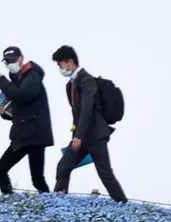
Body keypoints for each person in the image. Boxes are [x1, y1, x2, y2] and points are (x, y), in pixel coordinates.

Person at [51, 45, 127, 202]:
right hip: (82, 137)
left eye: (60, 64)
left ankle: (124, 204)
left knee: (105, 174)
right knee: (63, 167)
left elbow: (87, 110)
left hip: (95, 135)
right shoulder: (70, 85)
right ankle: (58, 203)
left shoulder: (87, 81)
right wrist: (76, 136)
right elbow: (76, 113)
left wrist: (78, 137)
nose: (60, 68)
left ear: (70, 62)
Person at [0, 46, 52, 194]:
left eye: (12, 60)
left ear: (21, 58)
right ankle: (50, 204)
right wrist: (4, 112)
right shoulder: (19, 79)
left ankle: (9, 200)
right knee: (35, 177)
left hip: (32, 135)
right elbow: (21, 109)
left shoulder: (32, 75)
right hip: (26, 133)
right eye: (7, 61)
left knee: (3, 170)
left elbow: (22, 95)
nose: (10, 63)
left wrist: (1, 81)